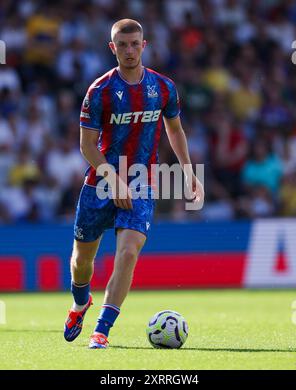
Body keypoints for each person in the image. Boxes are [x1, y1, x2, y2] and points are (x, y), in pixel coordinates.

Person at [63, 19, 204, 349]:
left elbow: (175, 130)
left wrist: (187, 170)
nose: (129, 50)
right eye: (122, 45)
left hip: (142, 180)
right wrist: (113, 180)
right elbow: (87, 146)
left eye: (134, 44)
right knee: (82, 261)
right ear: (112, 48)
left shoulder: (164, 87)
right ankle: (81, 303)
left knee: (128, 252)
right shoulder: (99, 91)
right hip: (100, 183)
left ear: (145, 45)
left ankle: (102, 330)